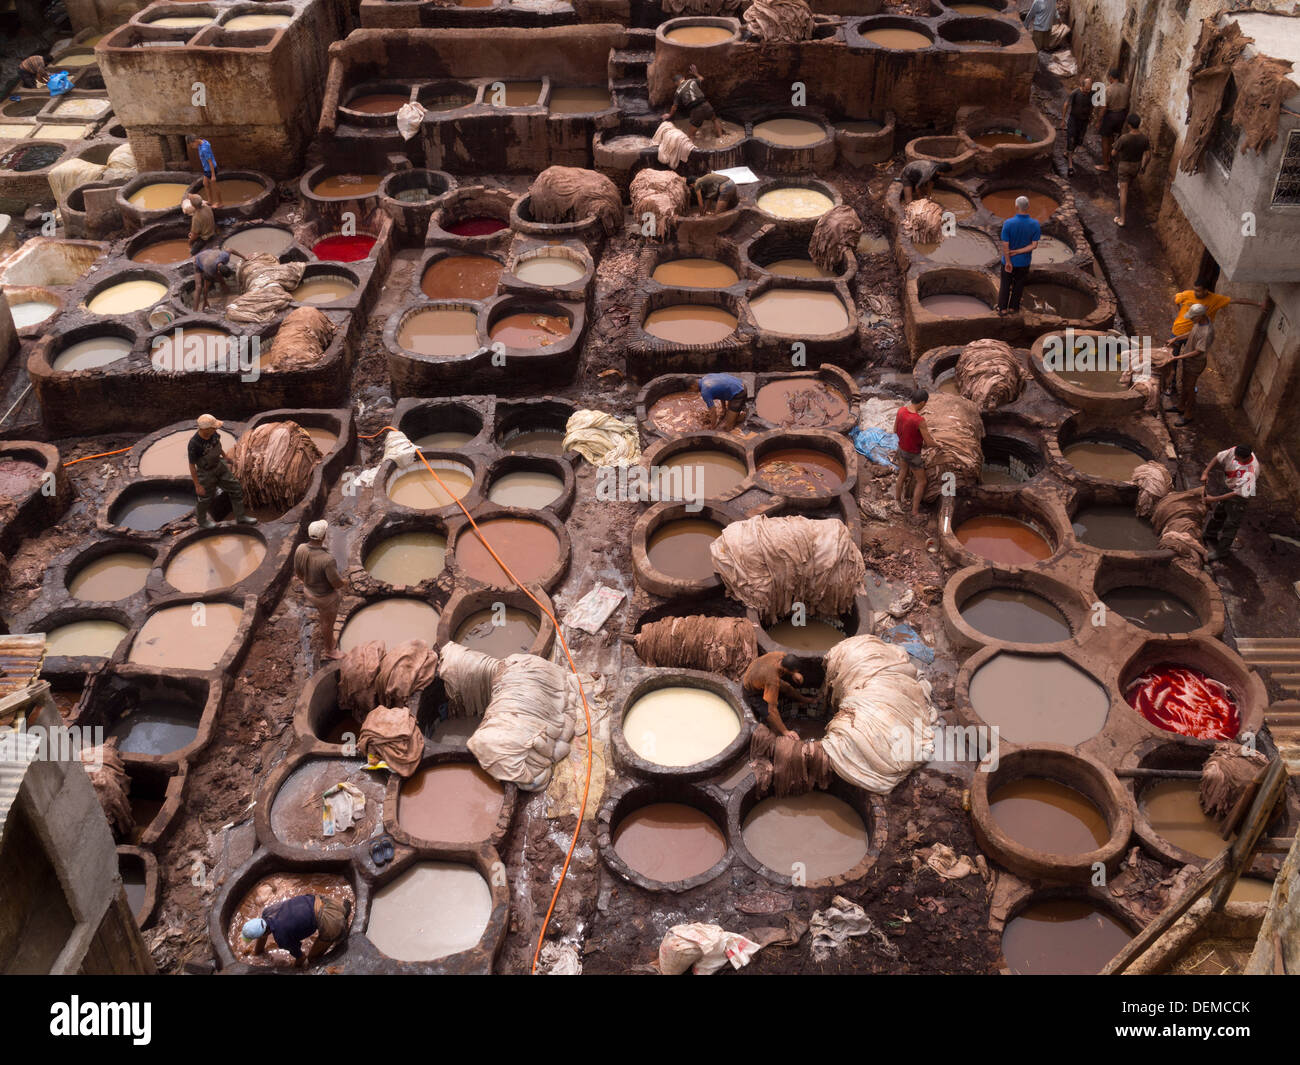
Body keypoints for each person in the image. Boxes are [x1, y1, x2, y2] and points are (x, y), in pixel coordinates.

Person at [242, 893, 352, 968]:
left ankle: (340, 930)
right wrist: (257, 953)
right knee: (336, 918)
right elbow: (263, 935)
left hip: (329, 920)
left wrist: (295, 970)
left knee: (312, 959)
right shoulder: (267, 912)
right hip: (325, 901)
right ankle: (342, 912)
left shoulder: (282, 938)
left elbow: (301, 957)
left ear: (263, 934)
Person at [188, 413, 257, 528]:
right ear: (205, 429)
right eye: (213, 427)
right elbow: (191, 465)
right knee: (206, 498)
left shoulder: (213, 434)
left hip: (220, 466)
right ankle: (202, 521)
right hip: (206, 473)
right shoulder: (194, 444)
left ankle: (240, 517)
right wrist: (197, 485)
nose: (216, 429)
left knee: (236, 489)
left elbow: (218, 446)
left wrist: (225, 457)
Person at [294, 520, 345, 660]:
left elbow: (298, 573)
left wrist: (310, 582)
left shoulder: (300, 549)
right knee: (327, 623)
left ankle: (329, 639)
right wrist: (345, 581)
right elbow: (336, 583)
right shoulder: (327, 559)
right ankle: (330, 650)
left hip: (308, 591)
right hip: (324, 598)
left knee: (324, 617)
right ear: (323, 537)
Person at [1200, 444, 1259, 561]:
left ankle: (1221, 552)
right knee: (1219, 512)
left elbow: (1238, 493)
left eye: (1237, 459)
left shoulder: (1252, 471)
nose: (1234, 459)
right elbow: (1218, 457)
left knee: (1231, 524)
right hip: (1229, 484)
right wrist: (1205, 472)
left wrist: (1214, 499)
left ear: (1245, 458)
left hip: (1240, 495)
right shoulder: (1235, 450)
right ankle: (1210, 534)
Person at [742, 651, 817, 739]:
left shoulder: (780, 655)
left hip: (757, 674)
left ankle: (804, 700)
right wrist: (785, 731)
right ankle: (774, 737)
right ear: (786, 670)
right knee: (770, 718)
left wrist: (794, 674)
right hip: (752, 689)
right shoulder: (772, 681)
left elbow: (786, 667)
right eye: (794, 671)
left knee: (787, 688)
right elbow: (772, 710)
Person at [893, 389, 938, 523]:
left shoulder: (901, 410)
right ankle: (914, 512)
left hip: (901, 448)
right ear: (923, 402)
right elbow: (929, 442)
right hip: (912, 454)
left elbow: (895, 430)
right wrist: (938, 445)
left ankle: (897, 500)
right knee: (922, 481)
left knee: (902, 473)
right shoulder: (919, 420)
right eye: (925, 403)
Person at [1168, 303, 1214, 426]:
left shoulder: (1207, 332)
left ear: (1200, 316)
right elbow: (1191, 333)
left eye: (1193, 318)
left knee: (1190, 388)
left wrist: (1177, 357)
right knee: (1184, 383)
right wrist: (1176, 338)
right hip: (1188, 360)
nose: (1192, 320)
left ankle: (1188, 414)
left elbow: (1197, 352)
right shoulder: (1199, 322)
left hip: (1195, 363)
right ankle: (1181, 406)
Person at [996, 195, 1040, 315]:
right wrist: (1019, 252)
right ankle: (1013, 308)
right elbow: (1034, 245)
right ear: (1028, 207)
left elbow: (1006, 245)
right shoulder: (1035, 224)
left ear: (1016, 206)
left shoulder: (1008, 223)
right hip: (1024, 262)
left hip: (1008, 261)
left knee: (1005, 284)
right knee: (1018, 285)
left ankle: (1002, 309)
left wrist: (1009, 261)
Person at [665, 65, 724, 142]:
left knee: (691, 135)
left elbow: (674, 106)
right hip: (705, 104)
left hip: (696, 110)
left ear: (676, 83)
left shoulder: (678, 91)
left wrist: (669, 115)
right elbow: (702, 79)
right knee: (715, 120)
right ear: (683, 78)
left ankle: (693, 151)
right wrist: (696, 73)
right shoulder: (691, 81)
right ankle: (721, 139)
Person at [1112, 114, 1150, 227]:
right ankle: (1122, 191)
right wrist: (1143, 167)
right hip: (1136, 166)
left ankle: (1122, 219)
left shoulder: (1124, 138)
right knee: (1127, 187)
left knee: (1123, 192)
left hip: (1125, 166)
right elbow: (1148, 156)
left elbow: (1113, 153)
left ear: (1129, 125)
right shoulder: (1144, 138)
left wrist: (1114, 148)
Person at [1095, 68, 1130, 172]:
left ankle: (1105, 165)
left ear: (1110, 77)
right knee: (1113, 137)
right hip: (1122, 115)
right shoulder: (1126, 88)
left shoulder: (1108, 90)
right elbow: (1128, 103)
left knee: (1105, 139)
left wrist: (1099, 121)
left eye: (1108, 77)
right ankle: (1109, 157)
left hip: (1110, 116)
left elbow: (1104, 107)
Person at [1062, 76, 1093, 176]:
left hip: (1084, 122)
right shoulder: (1075, 93)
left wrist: (1091, 116)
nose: (1087, 91)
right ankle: (1070, 166)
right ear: (1082, 86)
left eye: (1089, 89)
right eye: (1086, 89)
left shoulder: (1091, 93)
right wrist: (1063, 120)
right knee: (1071, 140)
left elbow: (1091, 105)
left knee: (1078, 141)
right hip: (1073, 120)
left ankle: (1068, 153)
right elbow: (1066, 104)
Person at [193, 248, 240, 313]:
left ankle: (225, 290)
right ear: (218, 272)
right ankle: (194, 311)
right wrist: (205, 301)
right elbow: (206, 288)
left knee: (221, 280)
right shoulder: (209, 269)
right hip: (198, 260)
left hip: (209, 254)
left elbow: (231, 249)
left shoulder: (225, 257)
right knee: (198, 287)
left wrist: (245, 257)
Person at [186, 134, 219, 204]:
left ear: (195, 141)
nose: (192, 147)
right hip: (207, 169)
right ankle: (210, 201)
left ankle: (220, 202)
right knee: (205, 184)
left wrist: (213, 175)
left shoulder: (204, 149)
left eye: (192, 145)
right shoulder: (202, 142)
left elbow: (210, 162)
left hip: (210, 169)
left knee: (214, 186)